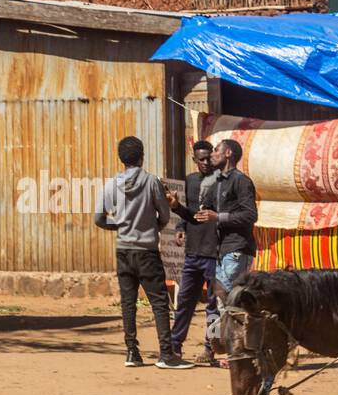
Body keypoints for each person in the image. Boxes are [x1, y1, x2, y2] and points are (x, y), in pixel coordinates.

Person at [93, 135, 192, 370]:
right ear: (141, 157)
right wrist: (153, 225)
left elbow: (98, 218)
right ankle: (166, 354)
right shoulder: (151, 181)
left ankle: (132, 352)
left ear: (121, 159)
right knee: (158, 302)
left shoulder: (110, 185)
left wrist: (117, 226)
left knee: (128, 303)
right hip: (146, 250)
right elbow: (165, 215)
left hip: (123, 250)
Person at [168, 140, 219, 365]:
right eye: (202, 159)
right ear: (194, 160)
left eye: (209, 158)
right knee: (185, 301)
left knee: (214, 305)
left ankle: (211, 348)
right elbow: (185, 210)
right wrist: (180, 228)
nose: (206, 162)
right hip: (193, 252)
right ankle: (175, 345)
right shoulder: (190, 181)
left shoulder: (222, 181)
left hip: (215, 252)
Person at [194, 138, 257, 300]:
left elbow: (250, 215)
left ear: (228, 153)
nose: (212, 155)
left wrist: (218, 217)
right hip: (220, 249)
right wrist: (176, 207)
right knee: (223, 299)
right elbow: (203, 210)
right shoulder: (217, 183)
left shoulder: (241, 181)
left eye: (216, 150)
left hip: (237, 248)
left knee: (230, 296)